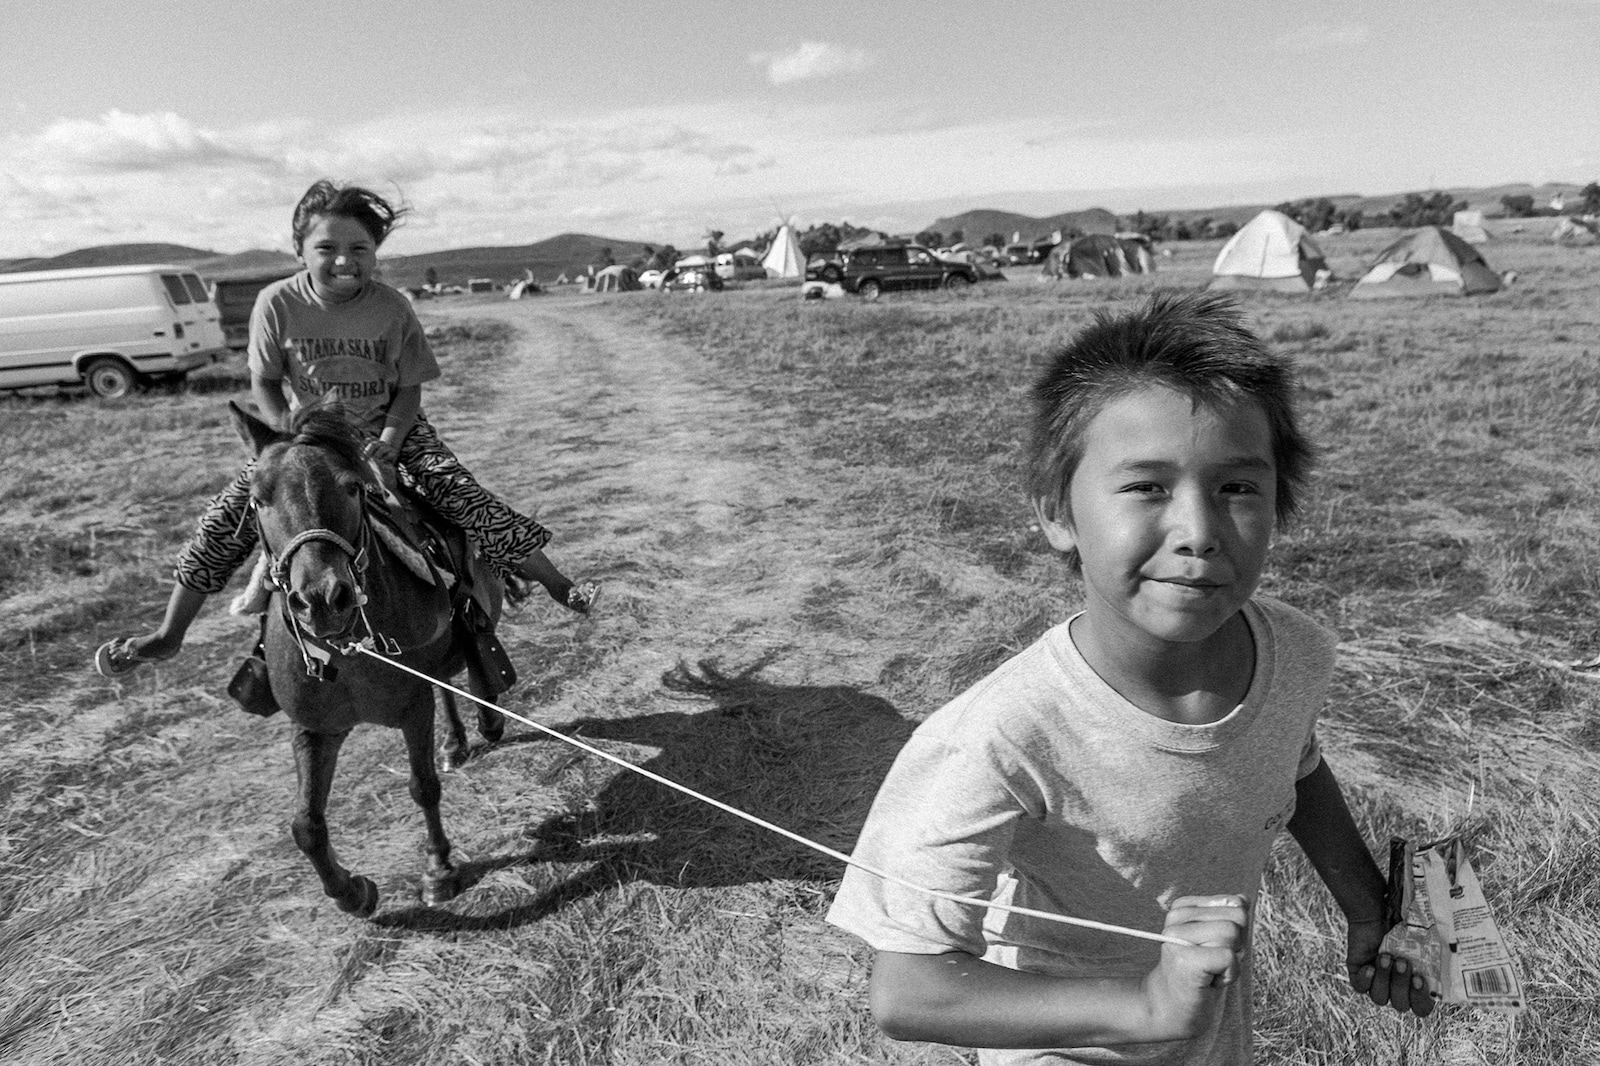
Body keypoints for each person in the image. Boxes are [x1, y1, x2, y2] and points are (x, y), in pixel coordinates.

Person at [826, 292, 1431, 1064]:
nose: (1199, 533)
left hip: (1210, 1039)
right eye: (1147, 487)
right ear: (1057, 514)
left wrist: (1364, 906)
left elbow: (1296, 764)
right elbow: (910, 991)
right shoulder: (1000, 735)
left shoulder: (1295, 651)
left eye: (1237, 488)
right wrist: (1146, 1007)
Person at [95, 180, 598, 678]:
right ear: (300, 251)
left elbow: (409, 388)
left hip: (390, 429)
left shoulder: (392, 306)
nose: (343, 260)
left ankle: (555, 583)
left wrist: (391, 442)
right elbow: (265, 382)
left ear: (375, 252)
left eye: (359, 248)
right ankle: (168, 636)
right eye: (326, 248)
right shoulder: (276, 303)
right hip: (309, 438)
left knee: (458, 491)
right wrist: (290, 441)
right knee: (226, 516)